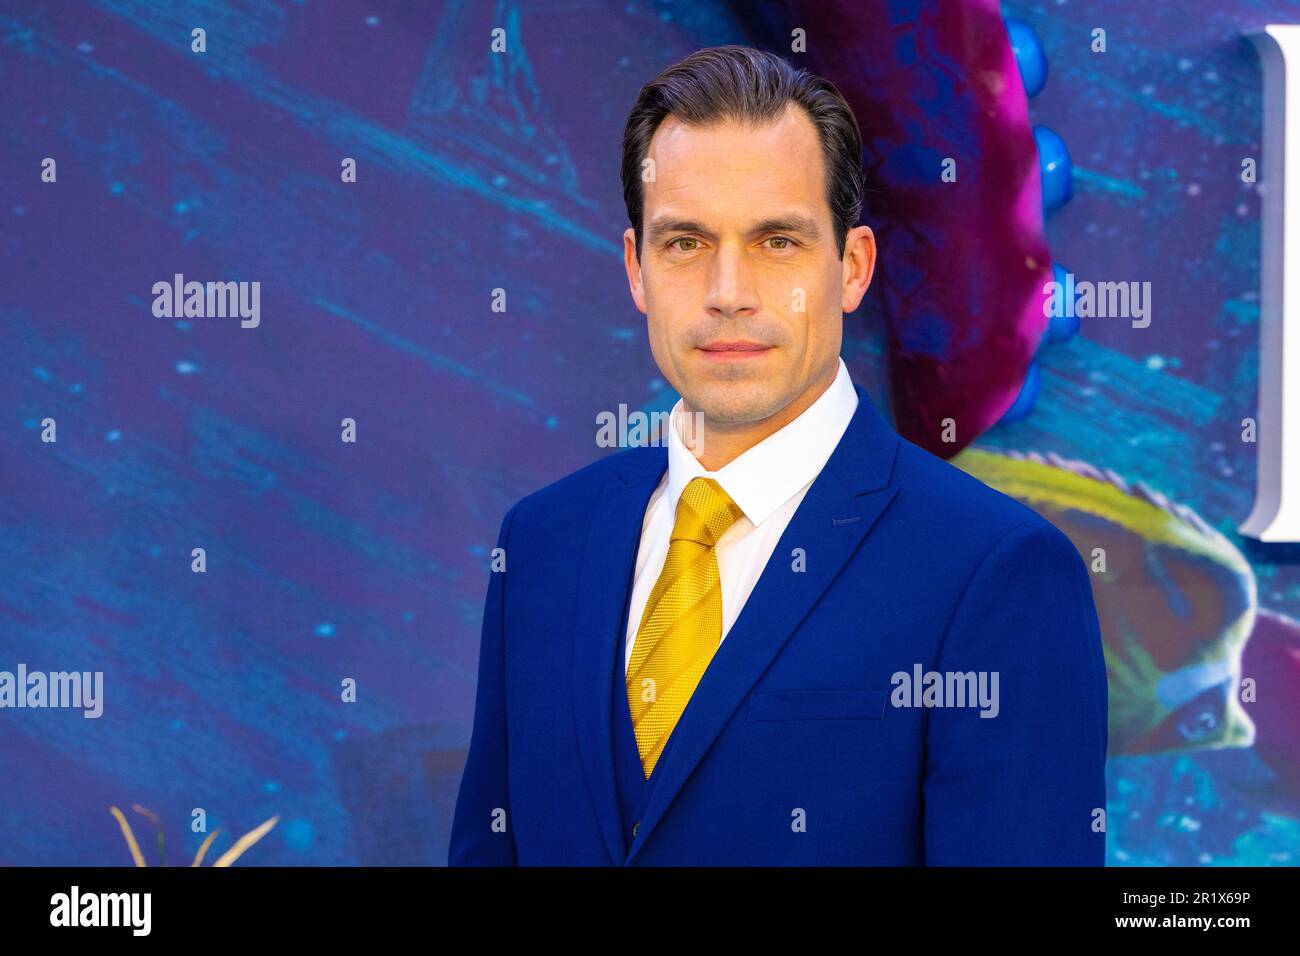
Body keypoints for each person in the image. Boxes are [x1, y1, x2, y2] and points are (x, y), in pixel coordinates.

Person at [449, 45, 1107, 866]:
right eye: (686, 243)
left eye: (777, 242)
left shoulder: (996, 573)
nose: (729, 290)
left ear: (854, 267)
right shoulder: (543, 543)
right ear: (637, 269)